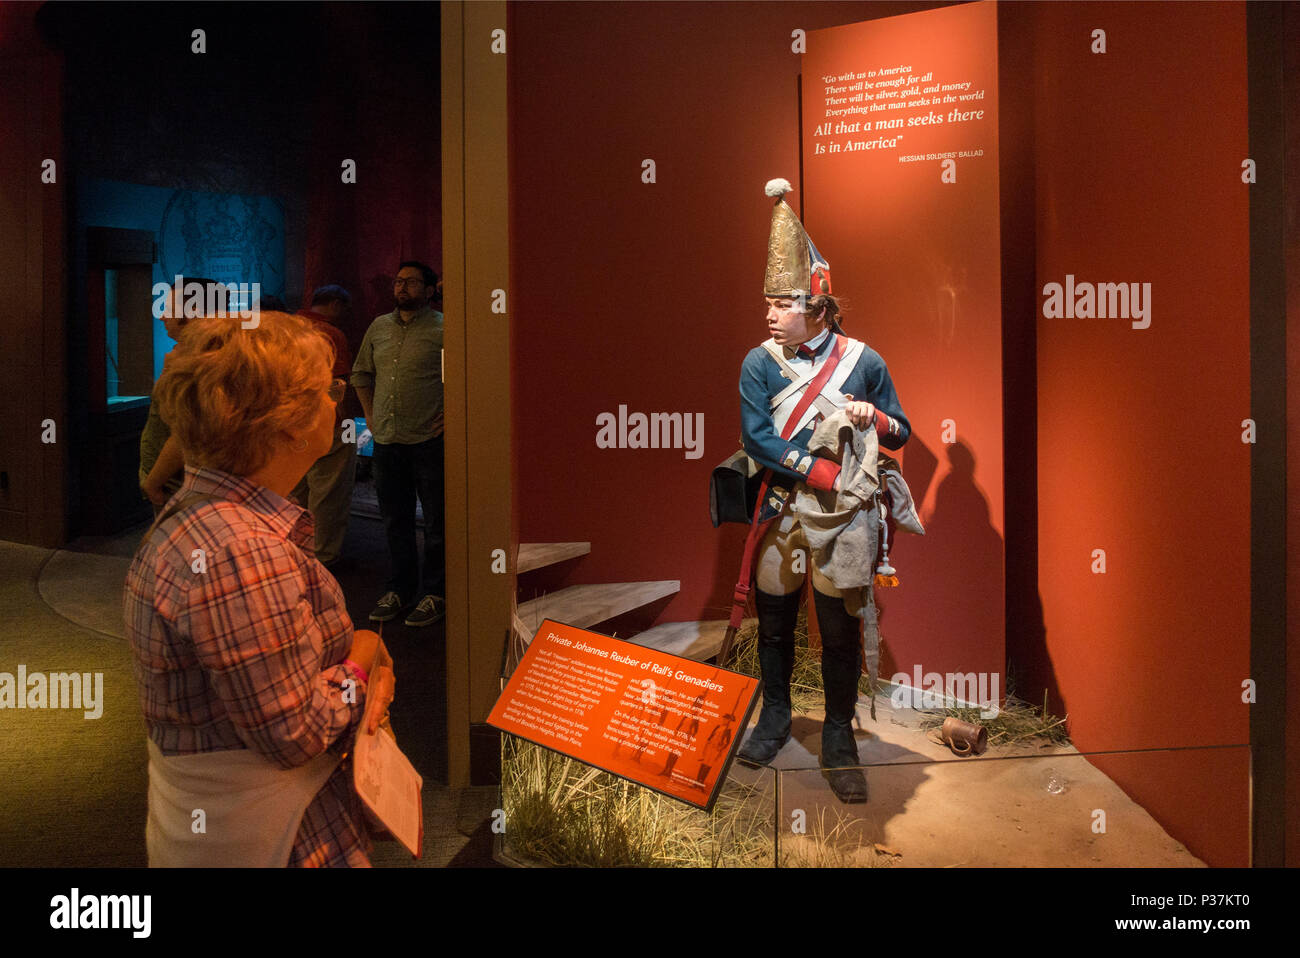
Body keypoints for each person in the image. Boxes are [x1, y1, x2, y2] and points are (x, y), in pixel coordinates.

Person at [123, 310, 394, 867]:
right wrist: (361, 664)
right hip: (280, 839)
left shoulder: (207, 519)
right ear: (284, 422)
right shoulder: (239, 550)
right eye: (324, 391)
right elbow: (296, 730)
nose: (335, 402)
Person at [733, 178, 910, 804]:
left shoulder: (864, 360)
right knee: (775, 623)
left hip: (843, 519)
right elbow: (758, 439)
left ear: (817, 304)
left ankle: (839, 736)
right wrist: (820, 471)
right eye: (769, 303)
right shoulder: (758, 363)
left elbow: (902, 429)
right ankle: (775, 717)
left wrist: (871, 417)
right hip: (783, 507)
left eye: (782, 302)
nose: (770, 313)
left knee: (836, 629)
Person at [351, 261, 446, 628]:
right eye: (398, 281)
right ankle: (400, 588)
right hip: (387, 439)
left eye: (411, 282)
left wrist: (455, 413)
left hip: (429, 440)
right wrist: (370, 418)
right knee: (394, 521)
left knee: (437, 523)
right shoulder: (378, 327)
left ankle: (435, 593)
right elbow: (361, 373)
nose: (402, 287)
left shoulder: (444, 328)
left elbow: (466, 374)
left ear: (429, 288)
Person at [139, 277, 222, 512]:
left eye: (168, 309)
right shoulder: (194, 355)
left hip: (179, 487)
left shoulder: (198, 362)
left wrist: (153, 482)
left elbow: (184, 434)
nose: (163, 316)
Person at [292, 285, 358, 568]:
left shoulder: (288, 327)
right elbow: (337, 383)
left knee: (296, 490)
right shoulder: (331, 333)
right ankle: (322, 558)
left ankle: (294, 552)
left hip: (289, 421)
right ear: (334, 304)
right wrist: (346, 426)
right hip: (324, 420)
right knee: (329, 491)